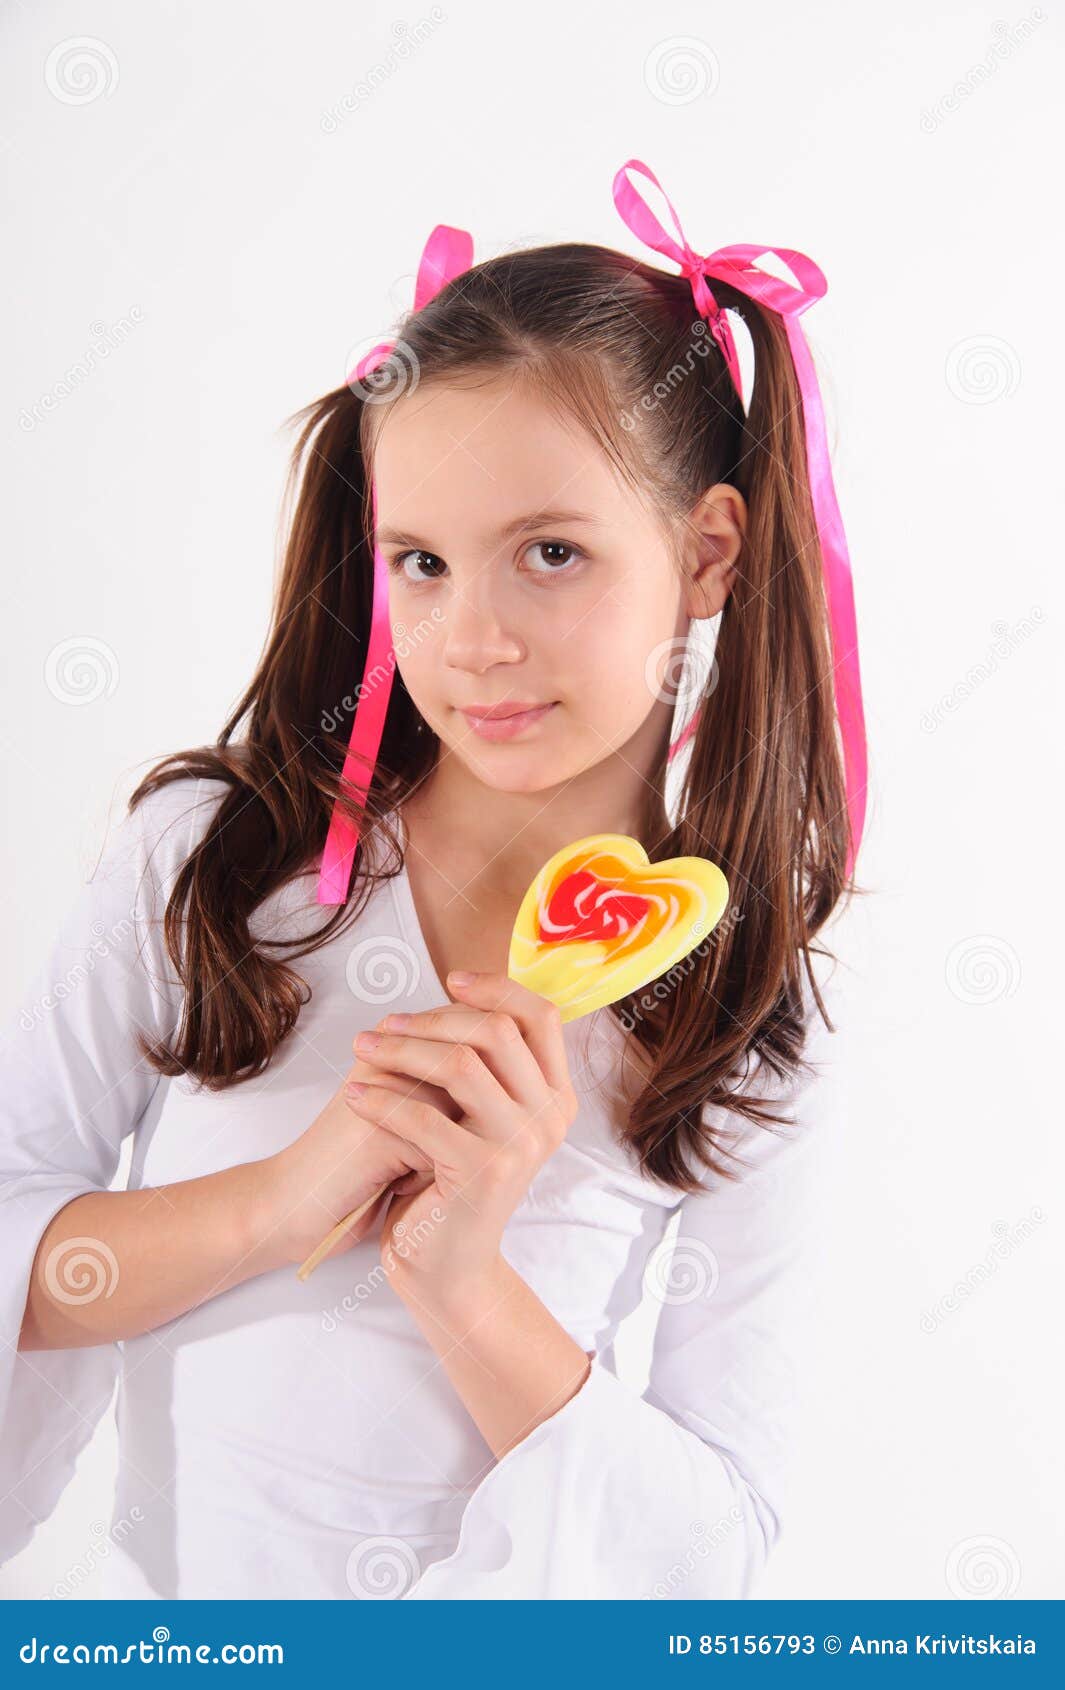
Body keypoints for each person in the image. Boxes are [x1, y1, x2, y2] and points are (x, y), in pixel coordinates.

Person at [0, 161, 864, 1600]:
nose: (472, 640)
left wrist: (461, 1278)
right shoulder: (218, 861)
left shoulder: (741, 1010)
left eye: (549, 553)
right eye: (422, 560)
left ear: (705, 551)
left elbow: (708, 1549)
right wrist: (284, 1199)